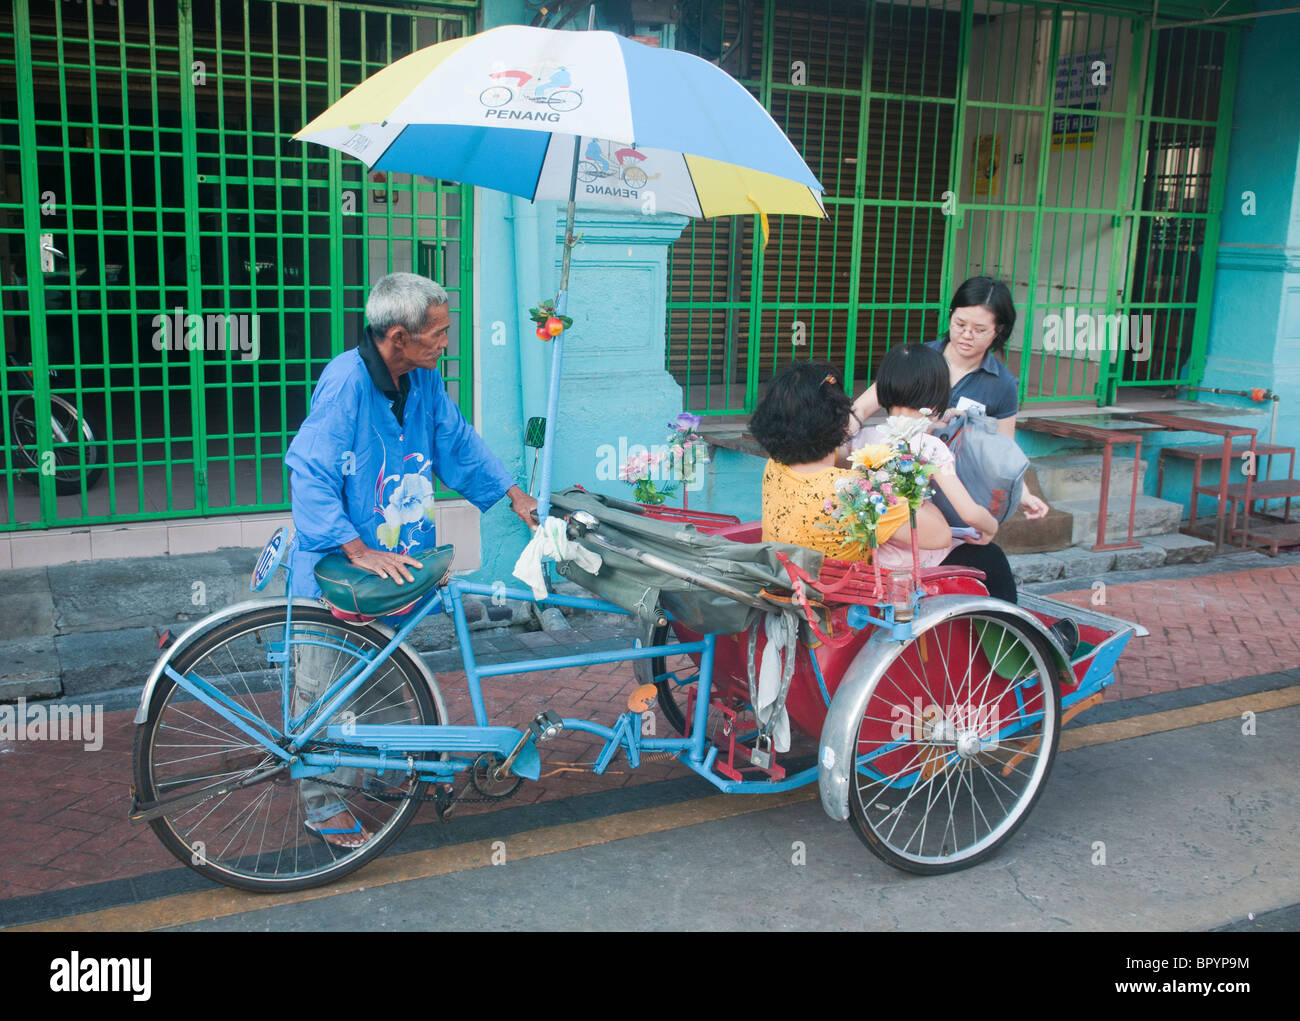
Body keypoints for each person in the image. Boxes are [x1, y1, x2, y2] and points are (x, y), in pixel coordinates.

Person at [285, 272, 537, 846]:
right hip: (341, 566)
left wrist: (509, 492)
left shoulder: (421, 381)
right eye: (439, 334)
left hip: (393, 562)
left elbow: (456, 441)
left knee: (382, 678)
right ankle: (323, 805)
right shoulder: (345, 384)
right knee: (324, 689)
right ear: (398, 337)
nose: (445, 343)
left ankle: (376, 774)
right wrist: (356, 547)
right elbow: (309, 473)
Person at [749, 361, 949, 560]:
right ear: (839, 420)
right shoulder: (857, 492)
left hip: (781, 581)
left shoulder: (775, 465)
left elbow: (839, 445)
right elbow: (941, 536)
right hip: (839, 590)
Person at [860, 344, 999, 573]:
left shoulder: (862, 440)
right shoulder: (930, 448)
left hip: (873, 560)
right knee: (992, 558)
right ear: (937, 398)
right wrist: (991, 528)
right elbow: (970, 513)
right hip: (919, 559)